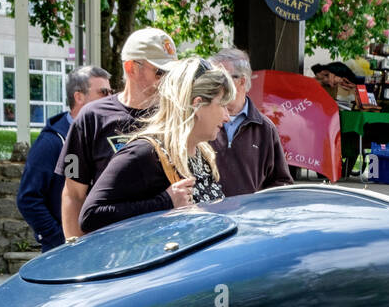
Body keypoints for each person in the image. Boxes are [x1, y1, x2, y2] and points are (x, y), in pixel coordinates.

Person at [79, 59, 234, 234]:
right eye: (222, 105)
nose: (227, 117)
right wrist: (164, 202)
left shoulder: (203, 153)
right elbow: (91, 216)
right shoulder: (145, 153)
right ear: (197, 104)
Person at [55, 28, 178, 240]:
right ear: (131, 67)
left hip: (165, 243)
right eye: (160, 72)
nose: (167, 80)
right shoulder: (92, 117)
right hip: (108, 245)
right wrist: (73, 249)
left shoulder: (176, 117)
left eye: (171, 73)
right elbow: (73, 193)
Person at [16, 66, 111, 251]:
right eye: (103, 92)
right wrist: (60, 238)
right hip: (68, 252)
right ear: (79, 97)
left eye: (111, 91)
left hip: (102, 246)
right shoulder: (52, 142)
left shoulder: (104, 137)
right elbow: (28, 199)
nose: (110, 98)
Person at [209, 47, 291, 196]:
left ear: (242, 81)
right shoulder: (201, 121)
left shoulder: (265, 128)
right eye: (211, 78)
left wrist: (260, 210)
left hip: (246, 217)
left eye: (221, 78)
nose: (214, 85)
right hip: (207, 216)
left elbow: (281, 184)